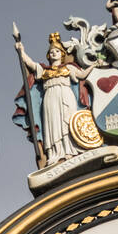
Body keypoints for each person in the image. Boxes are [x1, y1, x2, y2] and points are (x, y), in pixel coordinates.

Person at [15, 33, 93, 166]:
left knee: (67, 122)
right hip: (50, 97)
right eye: (51, 52)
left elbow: (82, 74)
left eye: (57, 51)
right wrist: (21, 49)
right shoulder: (44, 70)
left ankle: (69, 151)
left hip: (65, 95)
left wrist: (94, 64)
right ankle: (54, 154)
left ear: (62, 54)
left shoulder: (69, 67)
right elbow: (29, 63)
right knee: (52, 124)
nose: (54, 54)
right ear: (48, 55)